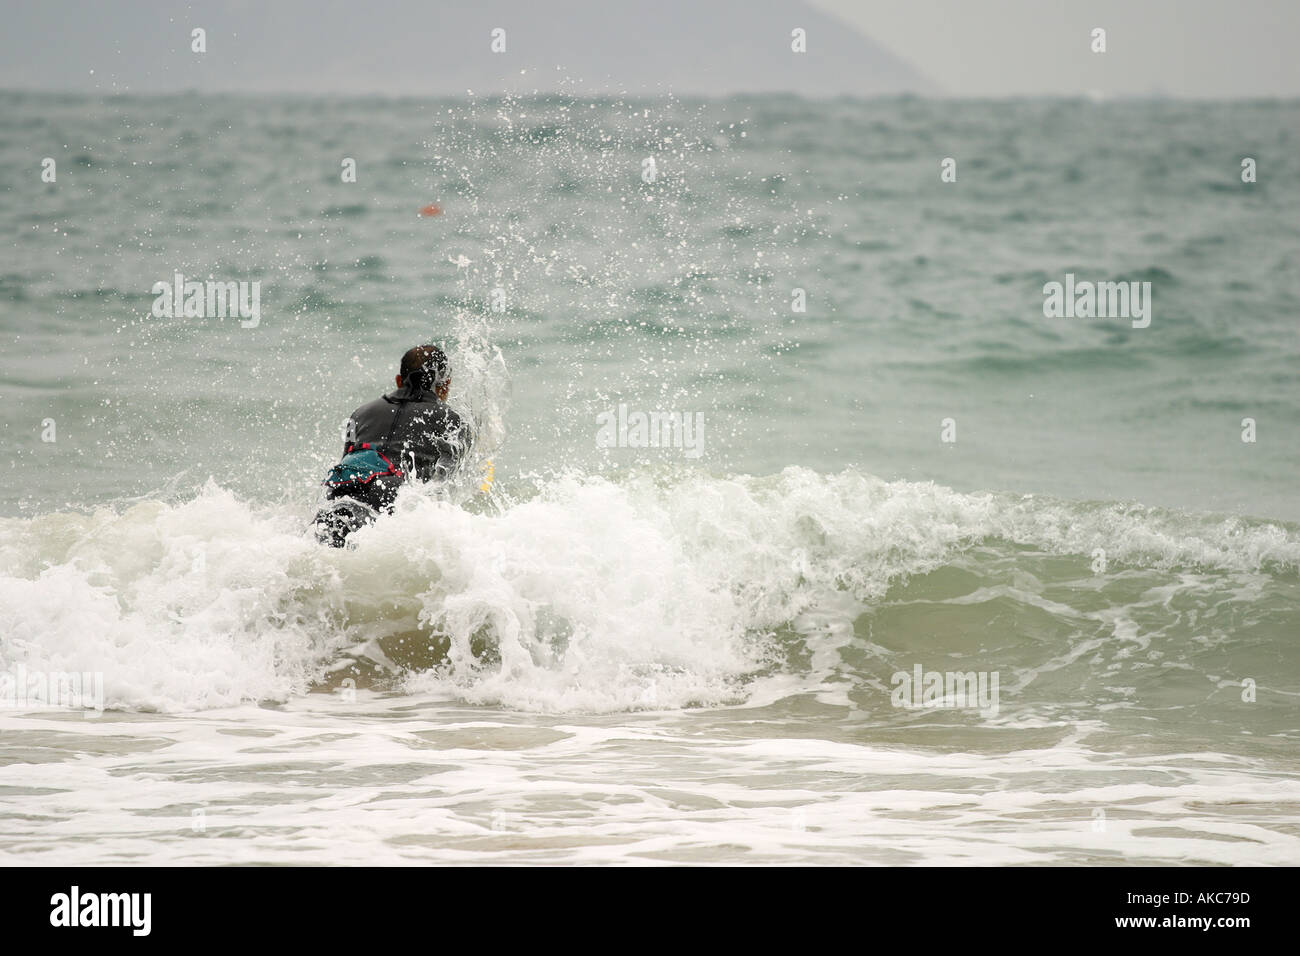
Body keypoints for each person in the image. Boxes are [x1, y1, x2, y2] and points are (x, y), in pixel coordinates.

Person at [314, 344, 472, 547]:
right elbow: (447, 484)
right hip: (393, 499)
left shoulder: (360, 413)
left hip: (339, 492)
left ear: (399, 380)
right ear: (445, 385)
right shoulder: (452, 420)